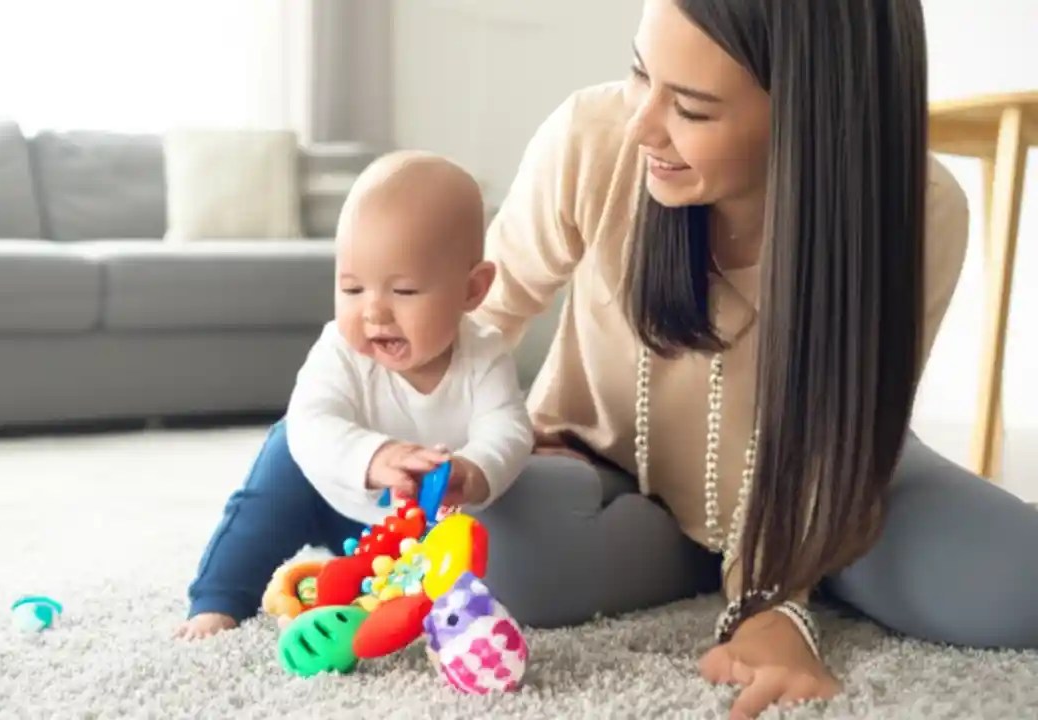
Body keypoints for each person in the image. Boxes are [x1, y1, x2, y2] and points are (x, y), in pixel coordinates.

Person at [463, 0, 1038, 717]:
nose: (641, 123)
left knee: (1021, 591)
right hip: (618, 476)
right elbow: (479, 321)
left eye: (694, 110)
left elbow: (839, 438)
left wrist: (774, 601)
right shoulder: (594, 137)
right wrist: (498, 437)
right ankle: (704, 563)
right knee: (485, 551)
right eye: (641, 72)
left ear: (812, 118)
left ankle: (808, 569)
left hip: (828, 480)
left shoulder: (918, 211)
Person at [177, 151, 533, 640]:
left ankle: (412, 605)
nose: (374, 313)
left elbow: (509, 428)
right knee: (284, 452)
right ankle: (219, 596)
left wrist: (475, 471)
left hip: (427, 522)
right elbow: (313, 420)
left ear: (472, 290)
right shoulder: (340, 350)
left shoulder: (485, 355)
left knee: (503, 524)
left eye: (404, 291)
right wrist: (375, 457)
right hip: (331, 496)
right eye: (352, 288)